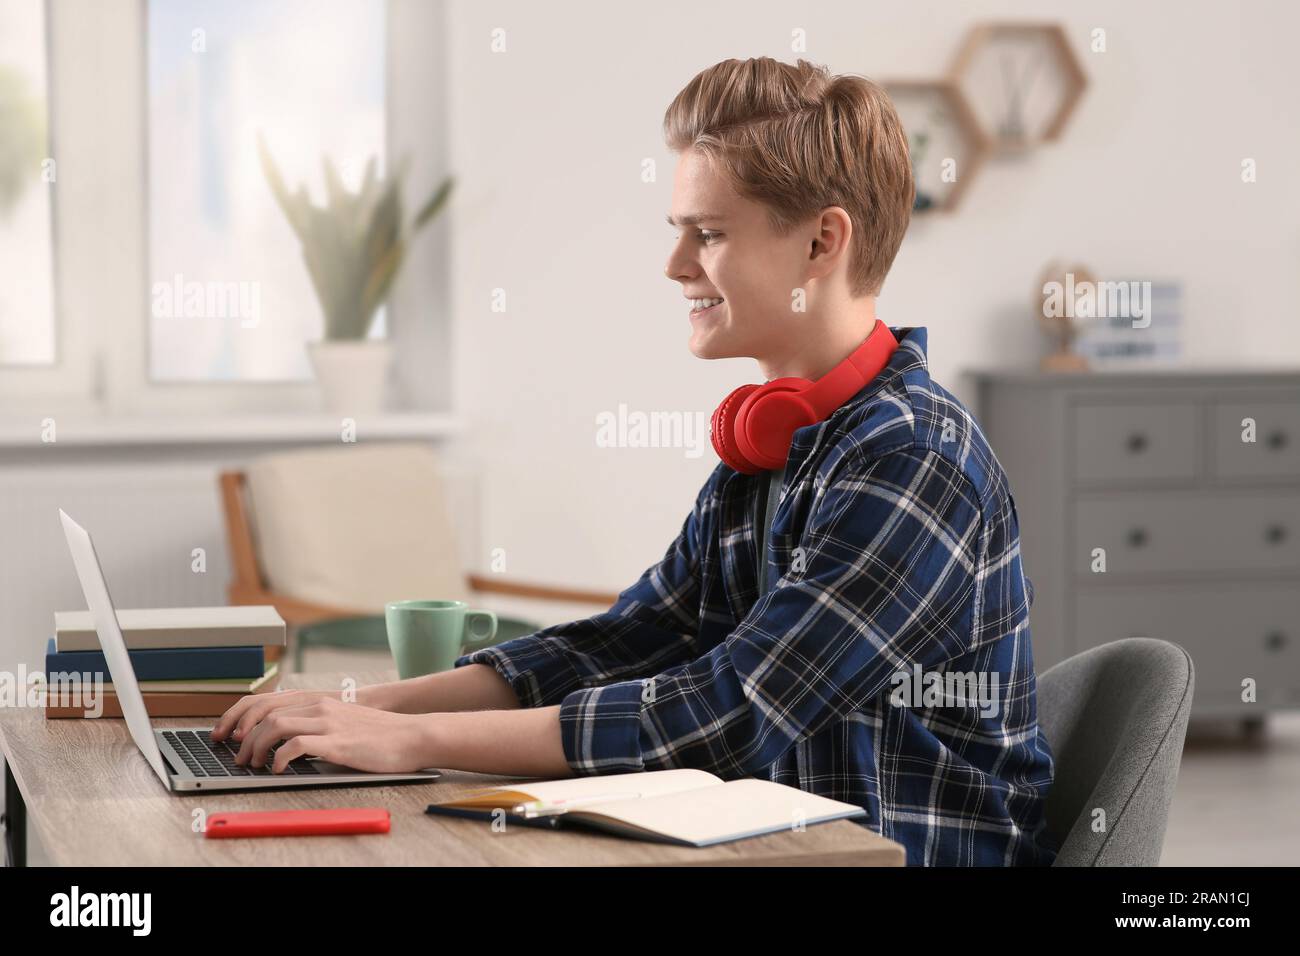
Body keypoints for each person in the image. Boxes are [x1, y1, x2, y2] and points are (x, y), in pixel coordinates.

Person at [211, 57, 1056, 866]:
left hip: (891, 855)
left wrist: (408, 740)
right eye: (678, 231)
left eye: (710, 233)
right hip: (770, 840)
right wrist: (356, 708)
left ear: (820, 244)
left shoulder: (910, 456)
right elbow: (622, 643)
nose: (675, 264)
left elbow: (732, 713)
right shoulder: (768, 443)